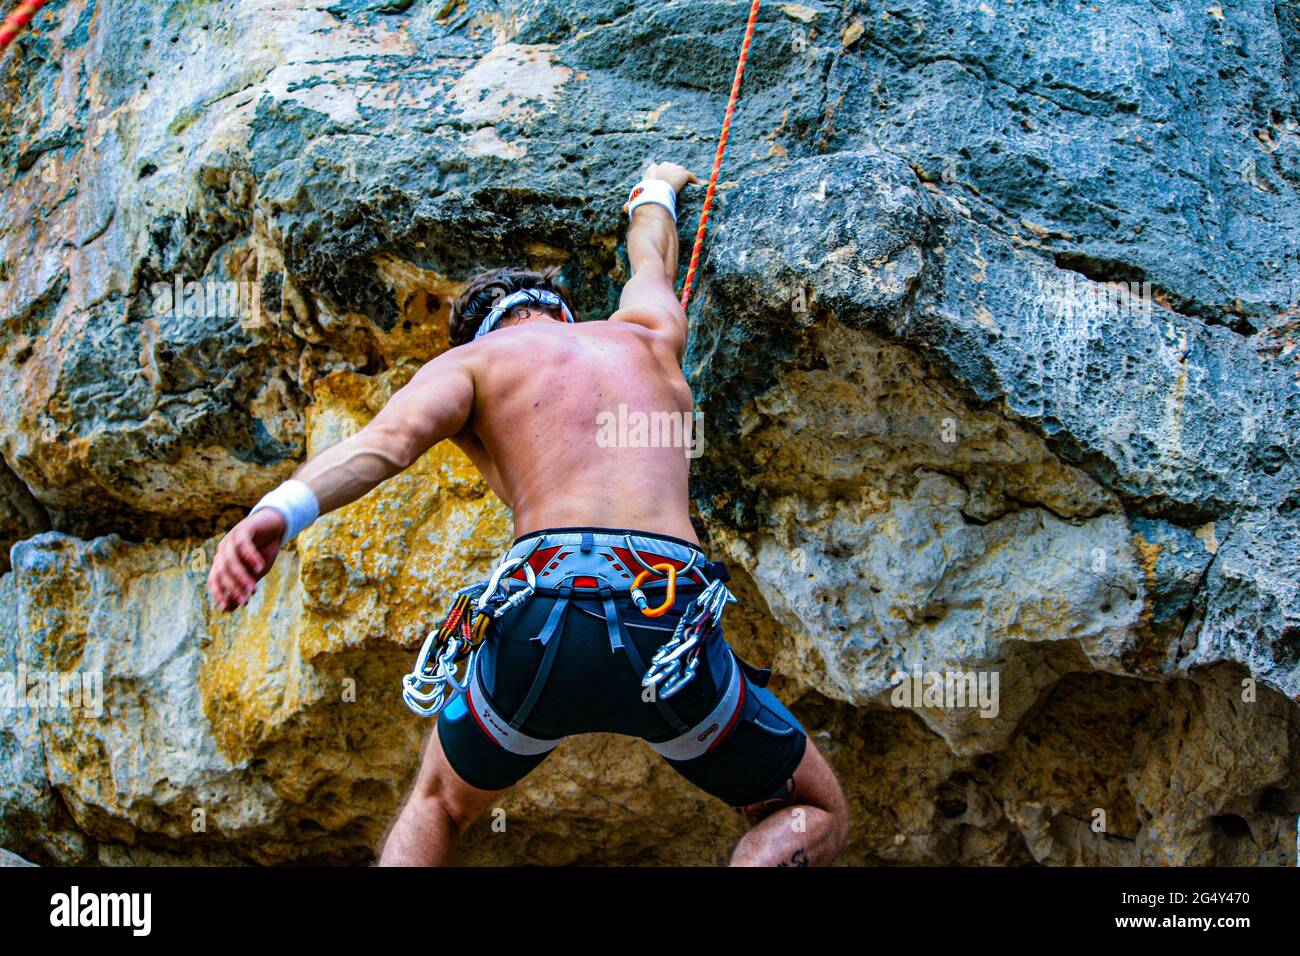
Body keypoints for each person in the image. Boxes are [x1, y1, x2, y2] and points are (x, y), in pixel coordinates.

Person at [207, 162, 849, 866]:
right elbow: (651, 255)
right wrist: (658, 186)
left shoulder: (476, 364)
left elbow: (382, 447)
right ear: (560, 309)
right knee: (809, 809)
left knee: (438, 805)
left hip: (540, 616)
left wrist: (279, 511)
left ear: (477, 329)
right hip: (667, 621)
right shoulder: (646, 332)